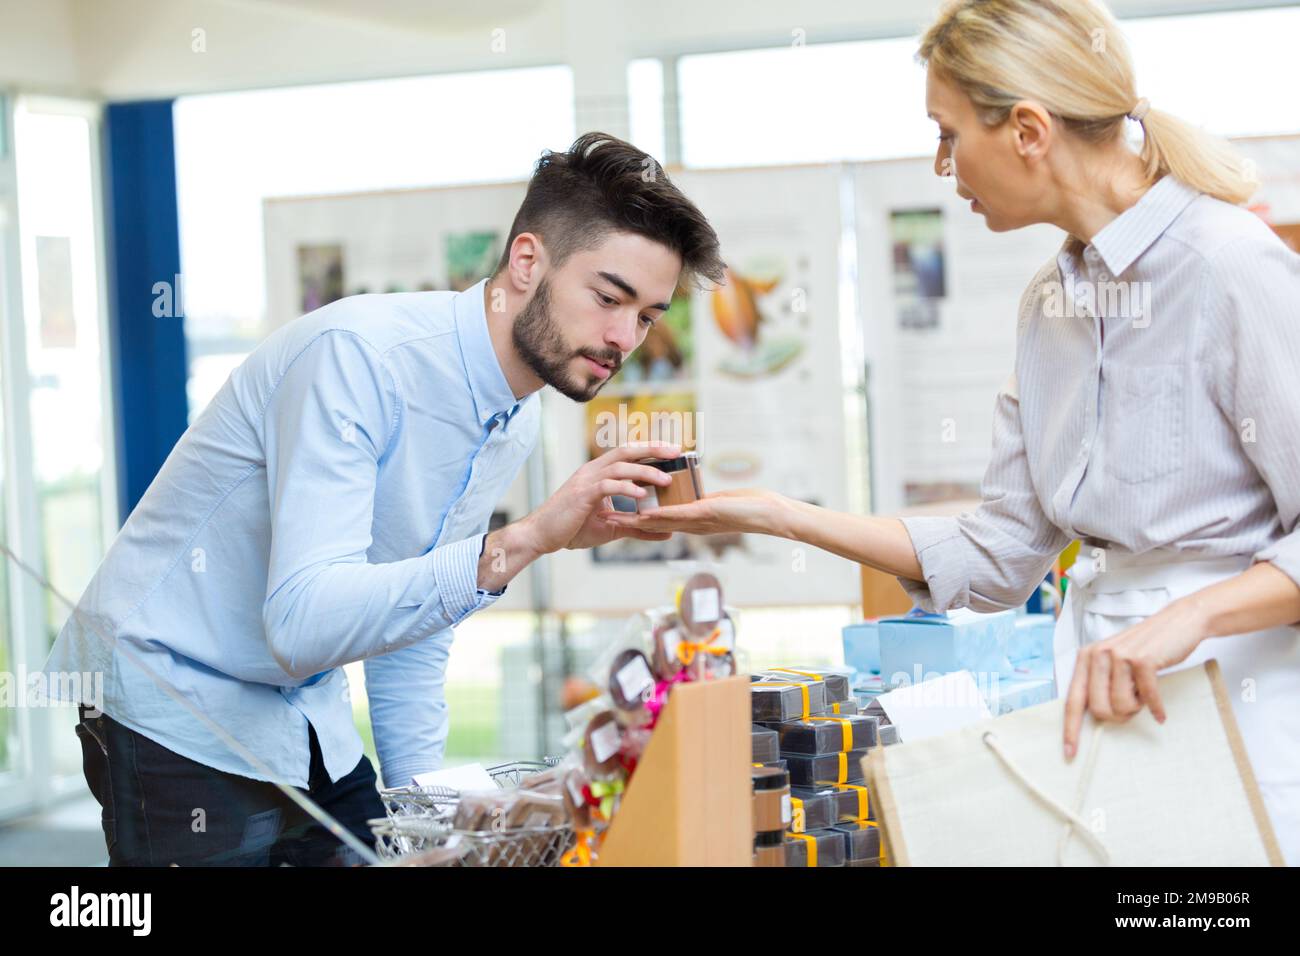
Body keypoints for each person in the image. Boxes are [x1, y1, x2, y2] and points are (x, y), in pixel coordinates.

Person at [605, 0, 1300, 863]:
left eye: (947, 133)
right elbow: (1003, 553)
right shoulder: (1048, 306)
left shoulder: (1232, 266)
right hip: (1099, 704)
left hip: (1242, 711)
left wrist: (1189, 616)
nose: (941, 164)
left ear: (1029, 131)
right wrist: (777, 514)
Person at [43, 132, 725, 866]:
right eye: (607, 297)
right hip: (172, 690)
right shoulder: (360, 359)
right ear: (527, 262)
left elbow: (414, 632)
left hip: (297, 706)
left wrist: (430, 818)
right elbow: (302, 621)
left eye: (648, 315)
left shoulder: (514, 416)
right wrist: (527, 540)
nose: (625, 337)